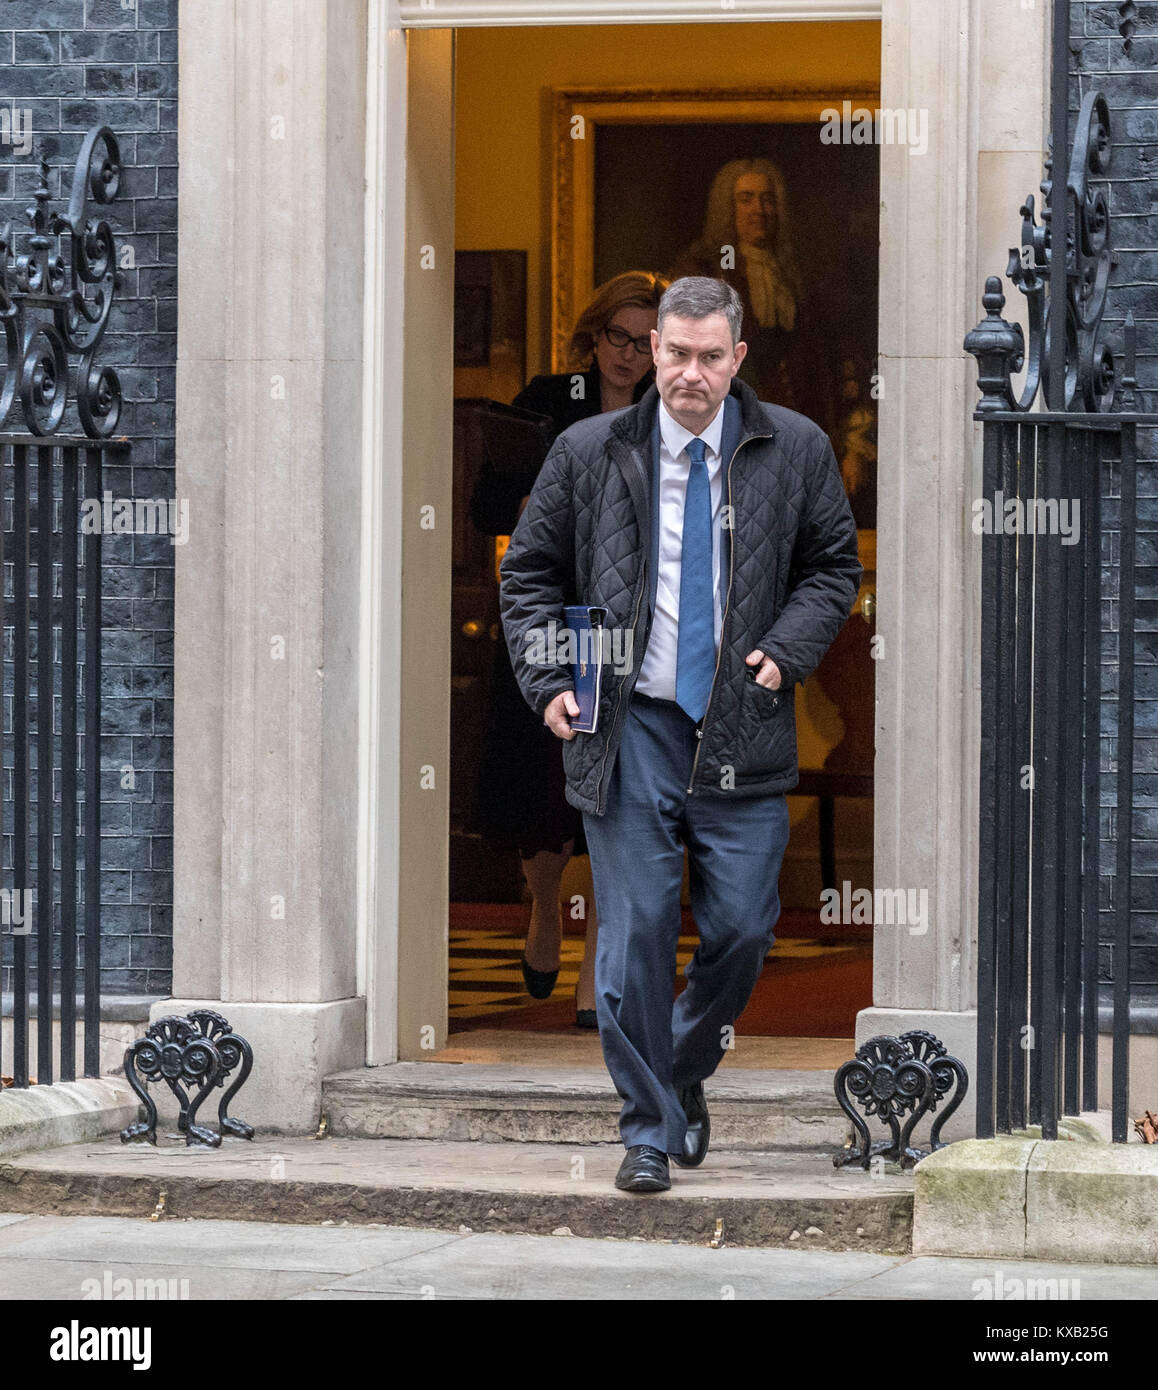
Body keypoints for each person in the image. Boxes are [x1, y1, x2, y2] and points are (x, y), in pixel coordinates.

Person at [498, 277, 861, 1191]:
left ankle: (682, 1069)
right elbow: (528, 574)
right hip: (630, 728)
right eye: (675, 353)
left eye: (709, 357)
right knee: (636, 933)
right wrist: (548, 680)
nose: (690, 373)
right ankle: (647, 1133)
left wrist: (787, 649)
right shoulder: (589, 450)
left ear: (738, 359)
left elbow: (832, 567)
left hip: (742, 723)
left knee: (743, 929)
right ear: (653, 352)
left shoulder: (795, 447)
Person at [469, 270, 669, 1028]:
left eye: (643, 343)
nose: (627, 355)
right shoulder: (550, 399)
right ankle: (546, 907)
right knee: (541, 793)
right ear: (595, 334)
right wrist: (530, 503)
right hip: (549, 620)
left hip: (631, 626)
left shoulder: (670, 413)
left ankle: (596, 969)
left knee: (618, 795)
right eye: (617, 336)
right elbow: (484, 504)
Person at [670, 158, 834, 436]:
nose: (759, 210)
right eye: (746, 199)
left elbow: (817, 355)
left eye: (767, 200)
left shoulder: (795, 273)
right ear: (728, 208)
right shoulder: (703, 268)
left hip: (796, 420)